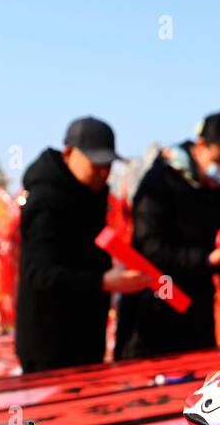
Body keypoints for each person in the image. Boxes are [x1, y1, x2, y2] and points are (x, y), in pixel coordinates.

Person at [15, 117, 151, 372]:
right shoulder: (45, 199)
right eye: (96, 164)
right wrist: (102, 281)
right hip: (50, 339)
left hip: (86, 330)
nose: (103, 172)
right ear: (69, 153)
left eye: (108, 165)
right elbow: (40, 273)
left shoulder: (92, 194)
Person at [117, 112, 220, 358]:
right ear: (201, 146)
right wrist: (206, 259)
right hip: (153, 315)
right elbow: (151, 249)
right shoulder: (159, 182)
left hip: (197, 317)